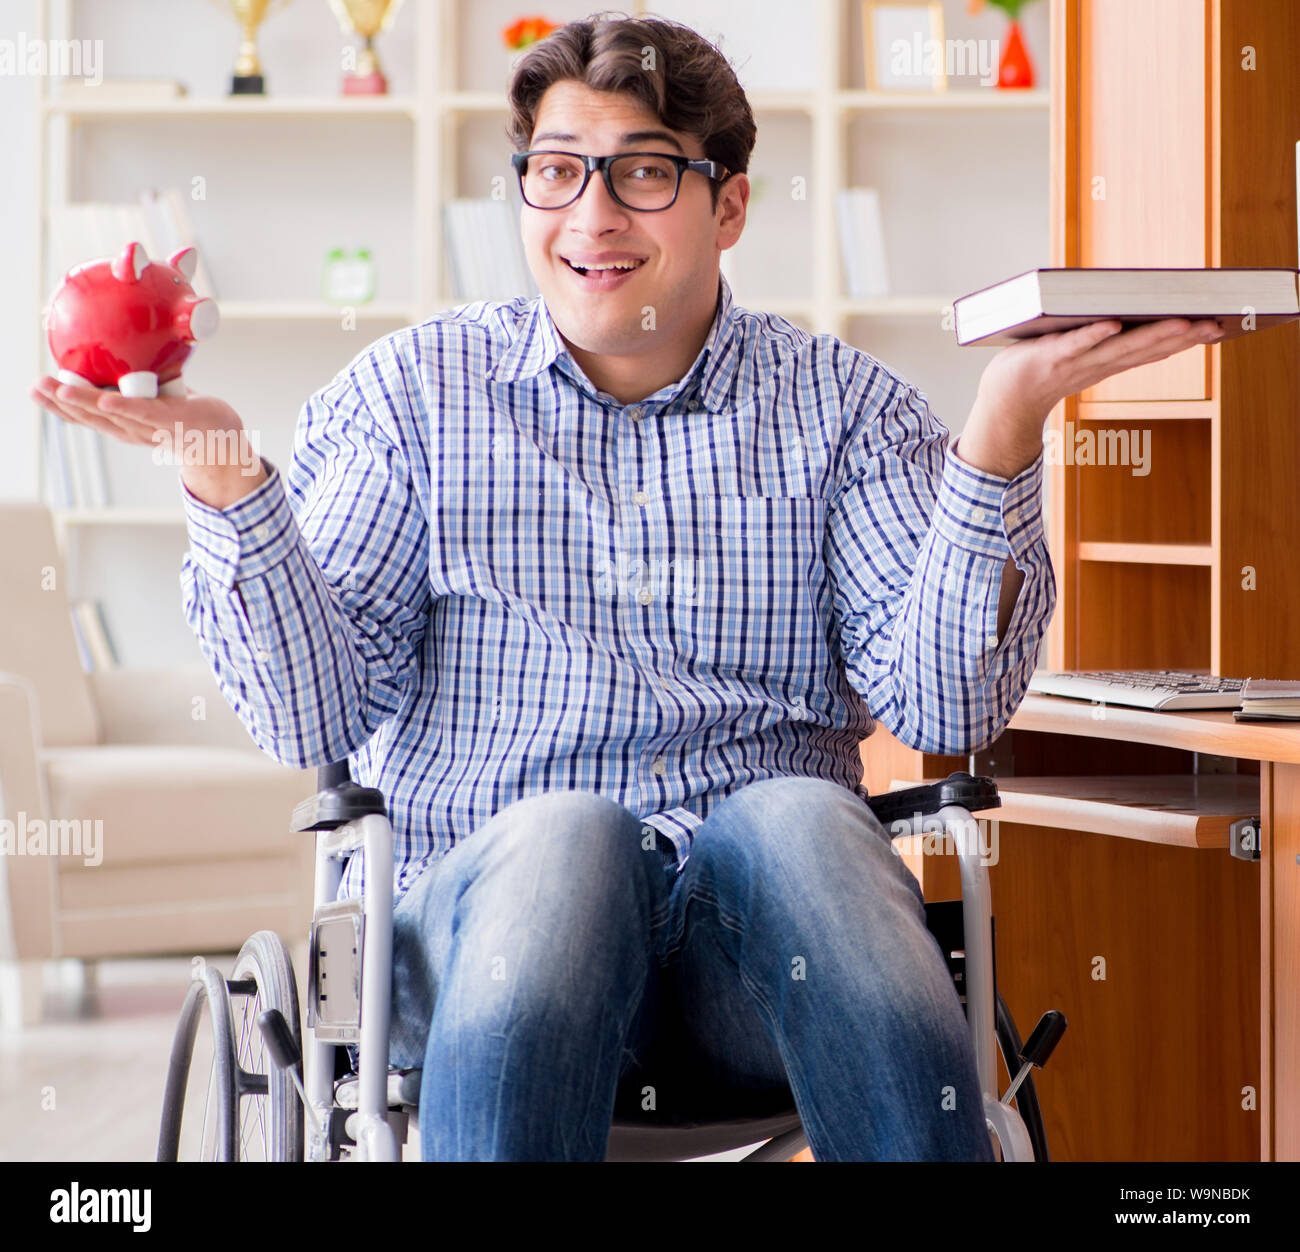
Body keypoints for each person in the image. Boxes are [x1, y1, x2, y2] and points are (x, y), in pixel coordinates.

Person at [32, 13, 1224, 1162]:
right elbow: (310, 722)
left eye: (643, 174)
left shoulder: (844, 411)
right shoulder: (410, 398)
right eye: (555, 172)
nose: (591, 215)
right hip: (486, 946)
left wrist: (1003, 434)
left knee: (804, 816)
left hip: (752, 967)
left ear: (730, 201)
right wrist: (229, 483)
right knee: (564, 839)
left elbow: (947, 712)